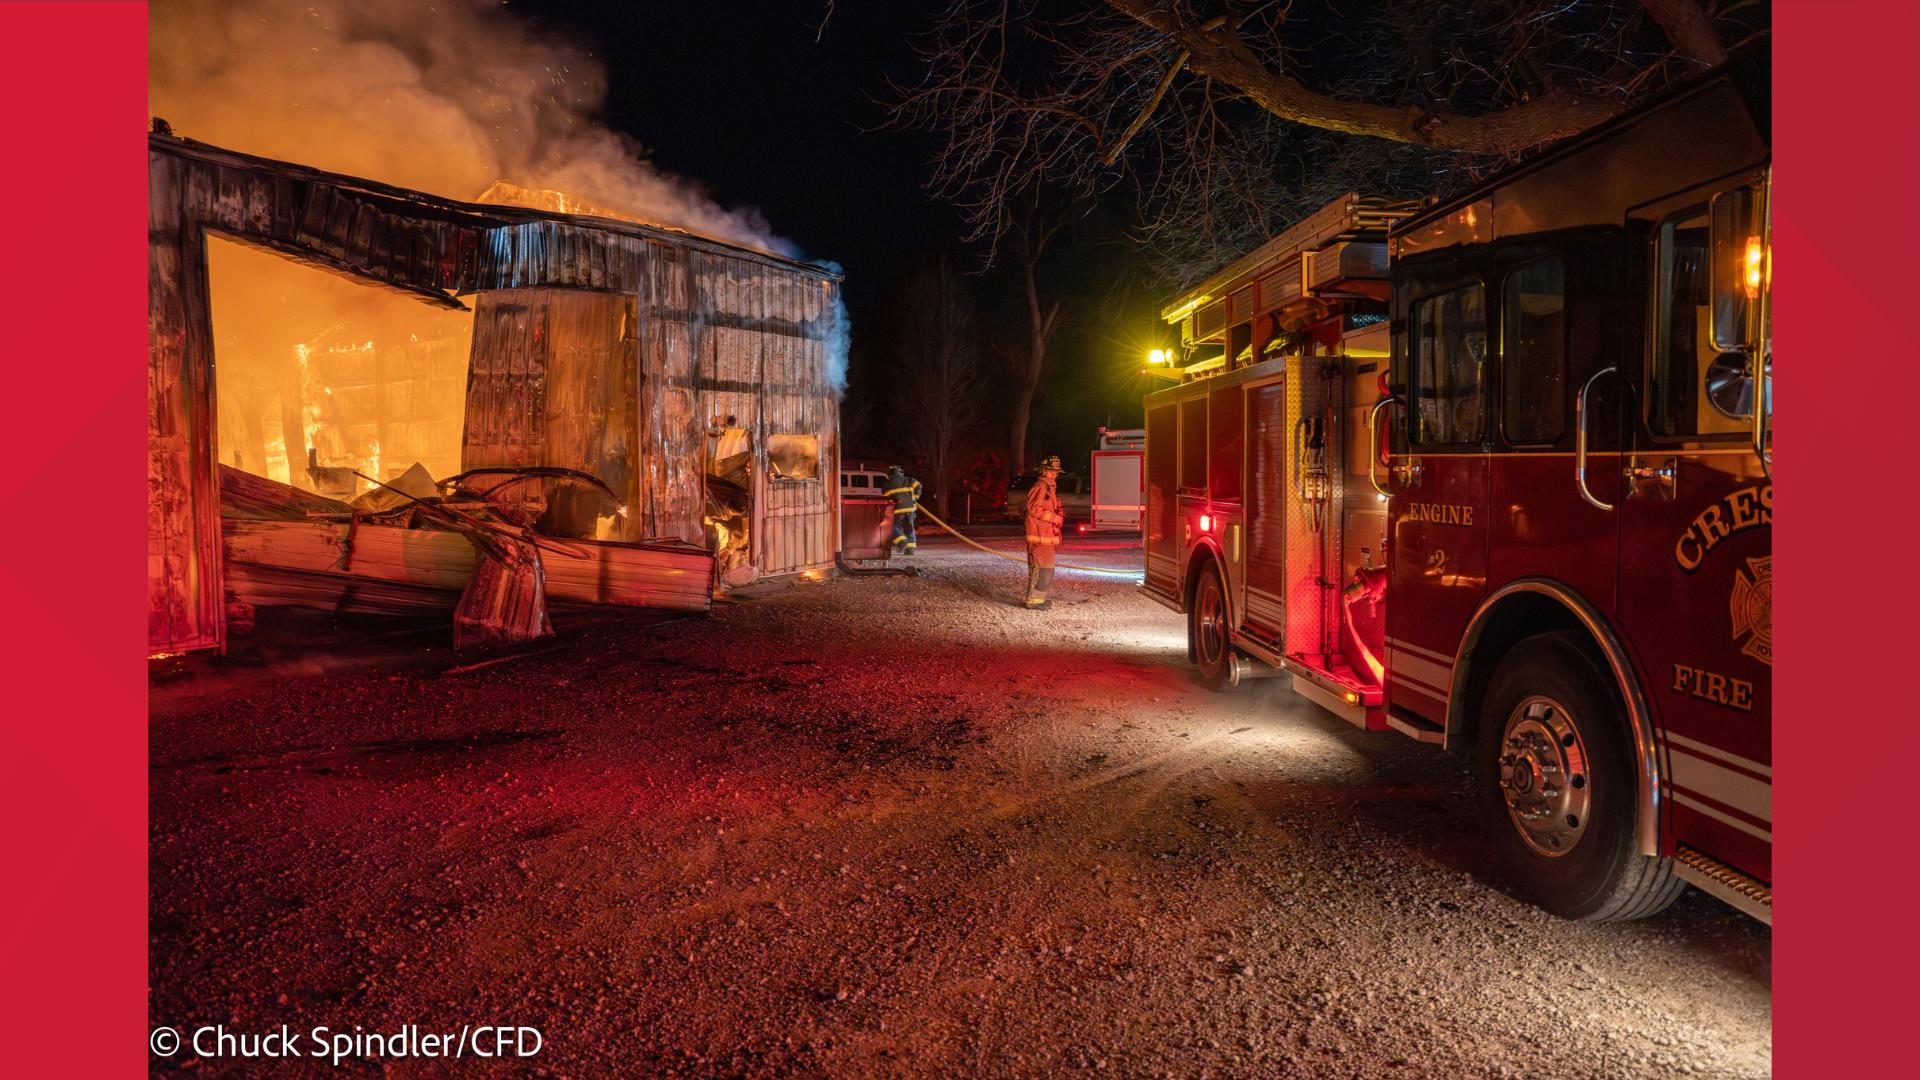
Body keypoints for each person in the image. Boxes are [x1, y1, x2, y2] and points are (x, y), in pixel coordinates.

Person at [1023, 455, 1064, 608]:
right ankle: (1034, 601)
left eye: (1056, 472)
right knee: (1041, 569)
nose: (1054, 474)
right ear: (1043, 471)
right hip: (1039, 538)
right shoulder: (1040, 486)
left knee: (1046, 569)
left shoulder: (1049, 487)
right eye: (1050, 471)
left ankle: (1038, 599)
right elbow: (1033, 508)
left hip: (1045, 536)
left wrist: (1058, 513)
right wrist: (1053, 517)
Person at [884, 465, 922, 554]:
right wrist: (915, 497)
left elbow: (885, 499)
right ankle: (910, 549)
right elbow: (919, 486)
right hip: (910, 509)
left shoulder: (886, 484)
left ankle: (901, 541)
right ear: (900, 473)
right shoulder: (909, 480)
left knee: (893, 527)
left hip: (897, 510)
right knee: (909, 529)